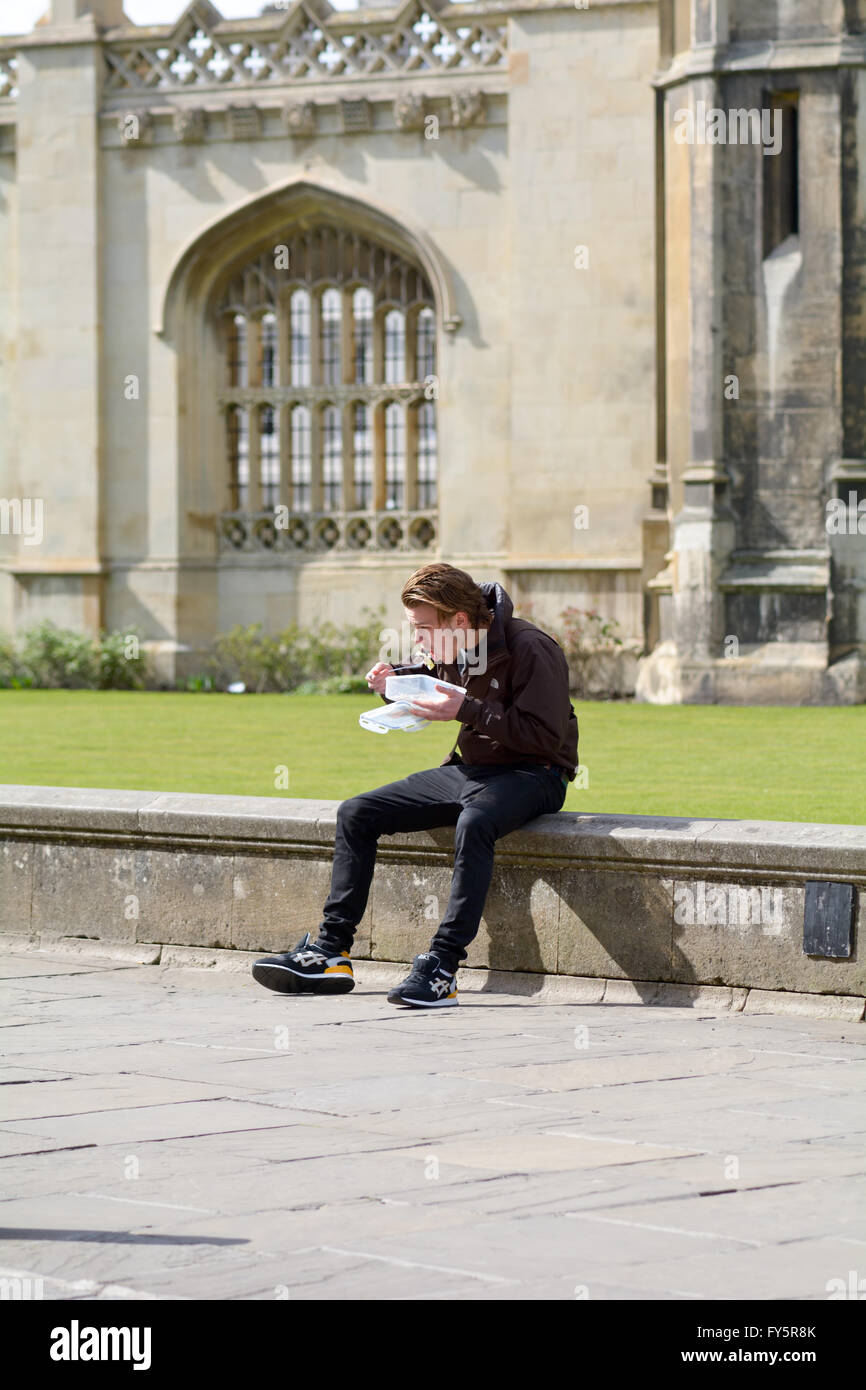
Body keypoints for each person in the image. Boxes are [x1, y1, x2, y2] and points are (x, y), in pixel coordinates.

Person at [252, 563, 579, 1008]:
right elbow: (432, 681)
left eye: (424, 628)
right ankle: (331, 952)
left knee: (475, 822)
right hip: (471, 770)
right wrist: (392, 684)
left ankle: (442, 968)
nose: (420, 638)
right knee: (356, 813)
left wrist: (470, 710)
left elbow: (546, 737)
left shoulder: (532, 648)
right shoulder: (456, 646)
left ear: (459, 620)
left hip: (535, 774)